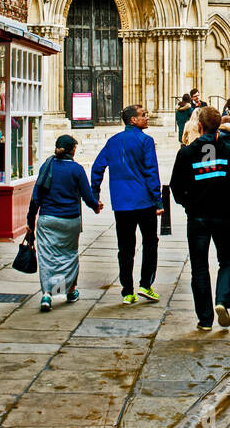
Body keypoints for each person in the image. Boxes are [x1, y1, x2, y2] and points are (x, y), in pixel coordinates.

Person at [170, 106, 230, 331]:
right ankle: (222, 300)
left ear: (200, 126)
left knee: (199, 267)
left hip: (197, 217)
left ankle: (204, 319)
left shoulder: (186, 153)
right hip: (222, 215)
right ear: (218, 126)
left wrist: (188, 204)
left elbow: (176, 187)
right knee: (227, 260)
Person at [92, 105, 163, 304]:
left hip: (121, 203)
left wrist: (95, 193)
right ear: (133, 120)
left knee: (125, 248)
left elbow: (97, 167)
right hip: (144, 201)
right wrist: (158, 199)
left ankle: (127, 291)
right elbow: (151, 171)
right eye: (143, 115)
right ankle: (145, 284)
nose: (147, 118)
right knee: (150, 242)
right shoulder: (146, 141)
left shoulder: (113, 141)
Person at [26, 134, 101, 311]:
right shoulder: (77, 169)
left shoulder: (47, 165)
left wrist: (30, 221)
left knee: (47, 258)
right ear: (72, 150)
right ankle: (69, 291)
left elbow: (36, 197)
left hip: (47, 219)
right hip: (70, 220)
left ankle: (47, 294)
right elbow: (87, 195)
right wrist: (96, 206)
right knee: (69, 256)